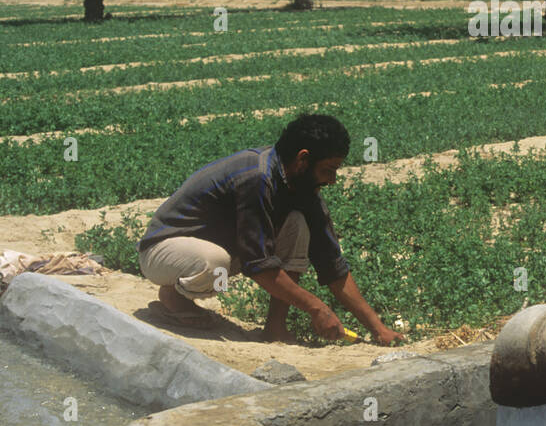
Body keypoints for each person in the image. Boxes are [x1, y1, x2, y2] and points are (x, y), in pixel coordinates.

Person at [137, 113, 405, 346]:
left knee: (297, 226)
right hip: (162, 250)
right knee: (214, 264)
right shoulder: (256, 178)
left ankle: (275, 328)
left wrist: (378, 329)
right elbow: (260, 267)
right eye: (328, 170)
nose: (332, 180)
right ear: (303, 160)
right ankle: (172, 296)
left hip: (217, 249)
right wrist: (317, 308)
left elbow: (332, 265)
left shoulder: (302, 189)